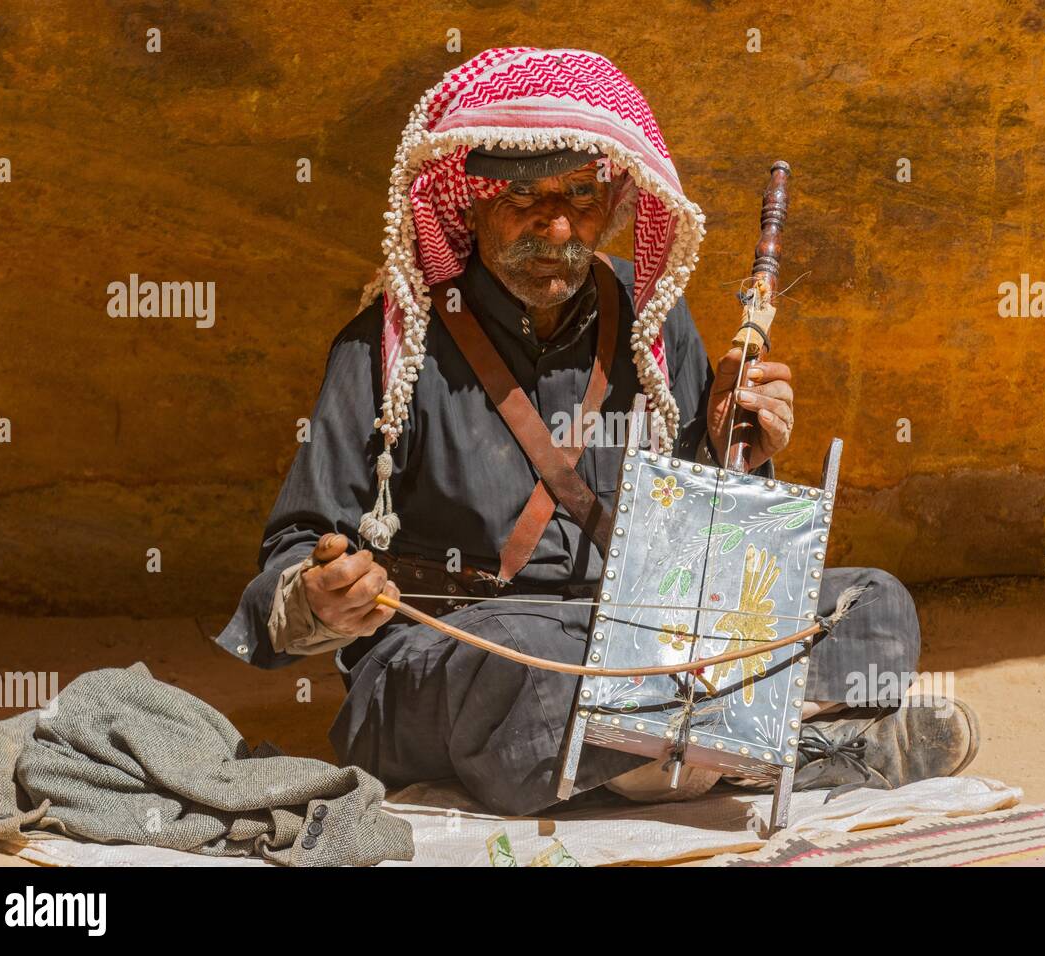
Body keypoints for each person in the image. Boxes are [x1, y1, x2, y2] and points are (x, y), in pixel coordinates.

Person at [215, 47, 978, 817]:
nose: (556, 225)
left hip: (644, 634)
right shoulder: (389, 345)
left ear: (614, 199)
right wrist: (321, 598)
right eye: (523, 198)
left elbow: (707, 559)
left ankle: (640, 763)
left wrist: (733, 453)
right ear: (468, 201)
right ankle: (788, 750)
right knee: (541, 674)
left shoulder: (652, 322)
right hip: (469, 650)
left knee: (873, 607)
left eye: (581, 193)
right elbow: (296, 552)